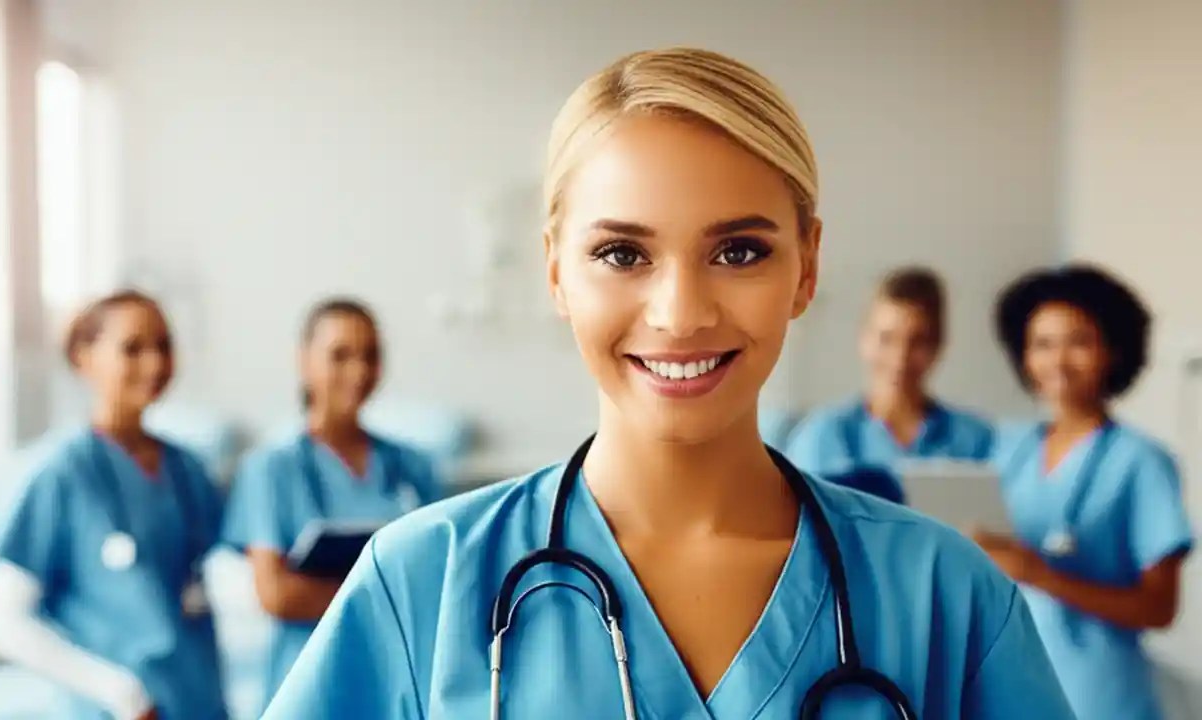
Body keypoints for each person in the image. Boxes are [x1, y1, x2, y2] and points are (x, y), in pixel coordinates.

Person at [261, 47, 1074, 718]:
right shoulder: (419, 585)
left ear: (807, 266)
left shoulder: (945, 597)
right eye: (622, 254)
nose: (681, 313)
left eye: (739, 252)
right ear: (555, 270)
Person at [0, 291, 227, 720]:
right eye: (133, 348)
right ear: (83, 357)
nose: (154, 363)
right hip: (115, 710)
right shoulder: (62, 474)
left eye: (164, 346)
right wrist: (119, 692)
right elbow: (1, 622)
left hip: (195, 700)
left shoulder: (188, 470)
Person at [977, 265, 1193, 720]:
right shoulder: (1006, 451)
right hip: (1011, 688)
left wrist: (1043, 575)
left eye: (1079, 342)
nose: (1058, 361)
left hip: (1101, 696)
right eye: (1043, 344)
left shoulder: (1142, 462)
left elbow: (1159, 607)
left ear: (1112, 351)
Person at [222, 297, 443, 711]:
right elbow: (277, 595)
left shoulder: (412, 466)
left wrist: (328, 591)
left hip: (395, 677)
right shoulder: (272, 469)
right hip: (307, 683)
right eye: (340, 355)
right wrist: (387, 594)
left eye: (370, 356)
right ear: (304, 361)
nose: (358, 372)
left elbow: (435, 578)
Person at [786, 267, 994, 501]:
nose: (900, 358)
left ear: (939, 344)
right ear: (864, 339)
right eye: (886, 339)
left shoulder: (976, 440)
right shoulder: (823, 435)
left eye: (918, 341)